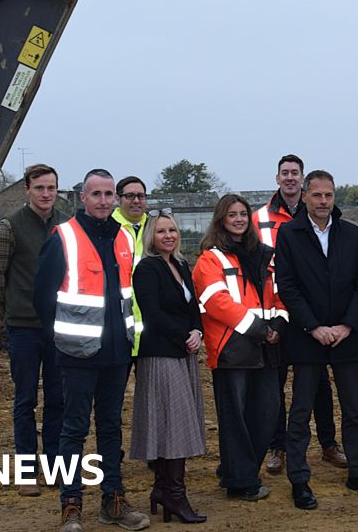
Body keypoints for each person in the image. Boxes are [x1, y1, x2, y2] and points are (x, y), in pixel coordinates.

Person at [34, 169, 150, 532]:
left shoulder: (123, 238)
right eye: (95, 194)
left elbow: (127, 297)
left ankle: (113, 499)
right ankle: (71, 504)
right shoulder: (64, 236)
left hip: (117, 353)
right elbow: (43, 297)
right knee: (74, 430)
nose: (103, 201)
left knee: (111, 427)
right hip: (78, 355)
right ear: (82, 197)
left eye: (107, 194)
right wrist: (68, 339)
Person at [275, 170, 358, 510]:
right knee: (301, 411)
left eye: (329, 195)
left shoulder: (351, 234)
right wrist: (313, 327)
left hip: (346, 337)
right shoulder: (289, 234)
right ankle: (299, 479)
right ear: (306, 196)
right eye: (318, 195)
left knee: (353, 410)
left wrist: (347, 325)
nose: (324, 201)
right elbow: (287, 285)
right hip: (308, 338)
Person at [254, 154, 346, 473]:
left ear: (303, 182)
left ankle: (328, 444)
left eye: (295, 173)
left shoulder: (320, 214)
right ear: (277, 179)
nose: (290, 178)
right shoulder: (261, 218)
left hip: (312, 313)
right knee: (275, 383)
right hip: (275, 311)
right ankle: (277, 446)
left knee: (319, 382)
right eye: (285, 173)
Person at [194, 194, 287, 501]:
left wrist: (279, 325)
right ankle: (240, 480)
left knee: (267, 411)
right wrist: (260, 329)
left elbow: (278, 294)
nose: (238, 219)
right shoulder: (211, 259)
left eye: (243, 214)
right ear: (221, 220)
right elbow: (216, 301)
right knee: (235, 419)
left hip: (265, 346)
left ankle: (237, 469)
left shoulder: (263, 255)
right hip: (232, 347)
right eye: (231, 214)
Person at [0, 163, 69, 498]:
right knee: (25, 400)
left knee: (57, 400)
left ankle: (53, 467)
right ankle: (26, 472)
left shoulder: (66, 225)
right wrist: (10, 315)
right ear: (27, 189)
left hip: (58, 328)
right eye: (39, 188)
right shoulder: (11, 226)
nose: (46, 194)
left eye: (51, 188)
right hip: (23, 329)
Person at [130, 210, 207, 523]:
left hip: (183, 352)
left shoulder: (180, 264)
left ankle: (162, 489)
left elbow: (193, 307)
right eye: (161, 231)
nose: (168, 236)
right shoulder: (147, 268)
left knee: (174, 421)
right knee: (172, 423)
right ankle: (175, 495)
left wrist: (197, 330)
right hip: (160, 354)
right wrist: (183, 336)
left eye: (172, 230)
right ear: (151, 236)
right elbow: (152, 313)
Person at [112, 176, 149, 355]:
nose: (136, 201)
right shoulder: (108, 228)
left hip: (151, 329)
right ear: (118, 199)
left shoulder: (155, 228)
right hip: (117, 327)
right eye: (129, 196)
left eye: (140, 196)